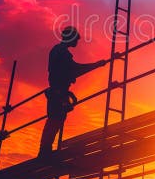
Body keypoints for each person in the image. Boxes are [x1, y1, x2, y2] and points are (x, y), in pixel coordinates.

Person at [38, 26, 107, 157]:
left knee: (55, 119)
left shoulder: (57, 50)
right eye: (76, 39)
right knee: (56, 119)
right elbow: (75, 69)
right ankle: (45, 150)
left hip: (57, 90)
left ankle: (45, 149)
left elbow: (64, 72)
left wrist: (67, 91)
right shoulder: (63, 53)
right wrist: (96, 65)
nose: (77, 41)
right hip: (58, 92)